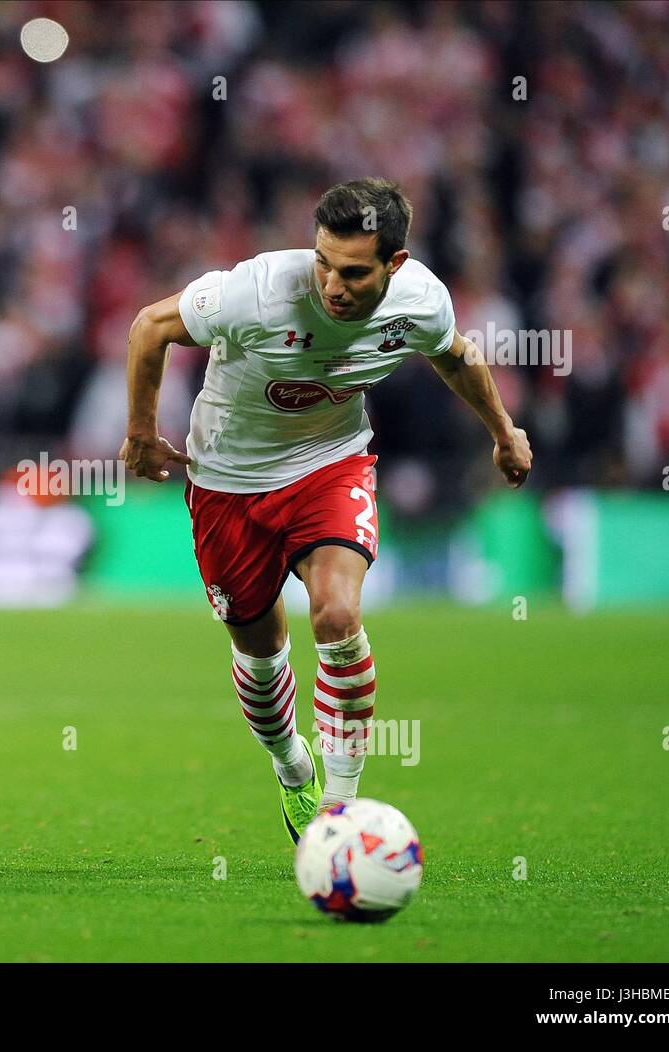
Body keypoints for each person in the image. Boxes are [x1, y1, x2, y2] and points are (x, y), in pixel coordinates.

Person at [120, 178, 531, 842]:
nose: (333, 285)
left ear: (393, 266)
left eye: (352, 272)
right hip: (227, 480)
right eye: (323, 263)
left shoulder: (420, 301)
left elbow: (456, 357)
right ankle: (291, 768)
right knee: (260, 651)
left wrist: (503, 433)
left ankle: (340, 811)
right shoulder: (259, 290)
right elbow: (150, 327)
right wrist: (141, 433)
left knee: (337, 614)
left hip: (330, 464)